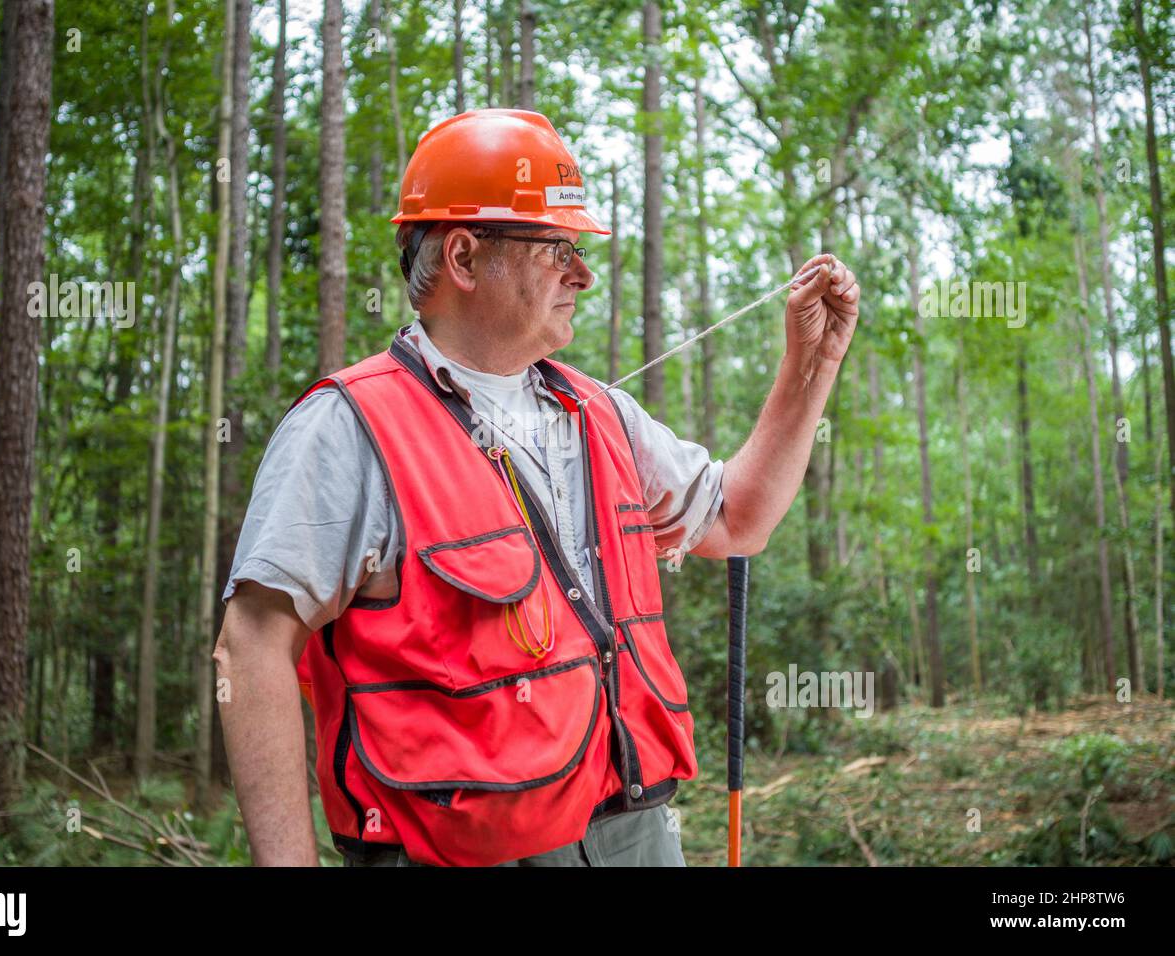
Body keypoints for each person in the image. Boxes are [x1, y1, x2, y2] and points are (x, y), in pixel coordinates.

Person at [214, 108, 859, 867]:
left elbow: (737, 519)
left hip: (636, 839)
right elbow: (251, 645)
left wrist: (812, 364)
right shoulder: (347, 427)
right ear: (462, 256)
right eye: (558, 250)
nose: (582, 274)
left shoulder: (602, 412)